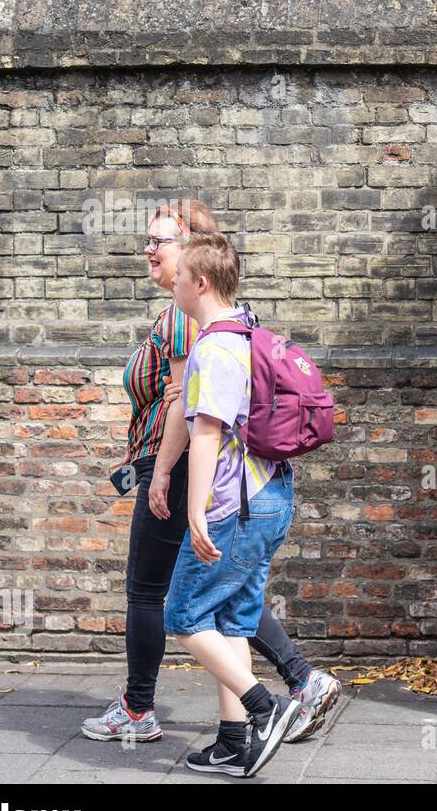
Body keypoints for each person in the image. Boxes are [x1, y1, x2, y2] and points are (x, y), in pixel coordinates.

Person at [81, 199, 338, 751]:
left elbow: (193, 415)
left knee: (162, 599)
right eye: (147, 241)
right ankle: (239, 730)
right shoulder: (227, 316)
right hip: (245, 484)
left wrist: (167, 478)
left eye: (160, 241)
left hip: (205, 479)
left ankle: (165, 706)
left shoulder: (192, 320)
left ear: (193, 262)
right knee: (228, 608)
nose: (149, 251)